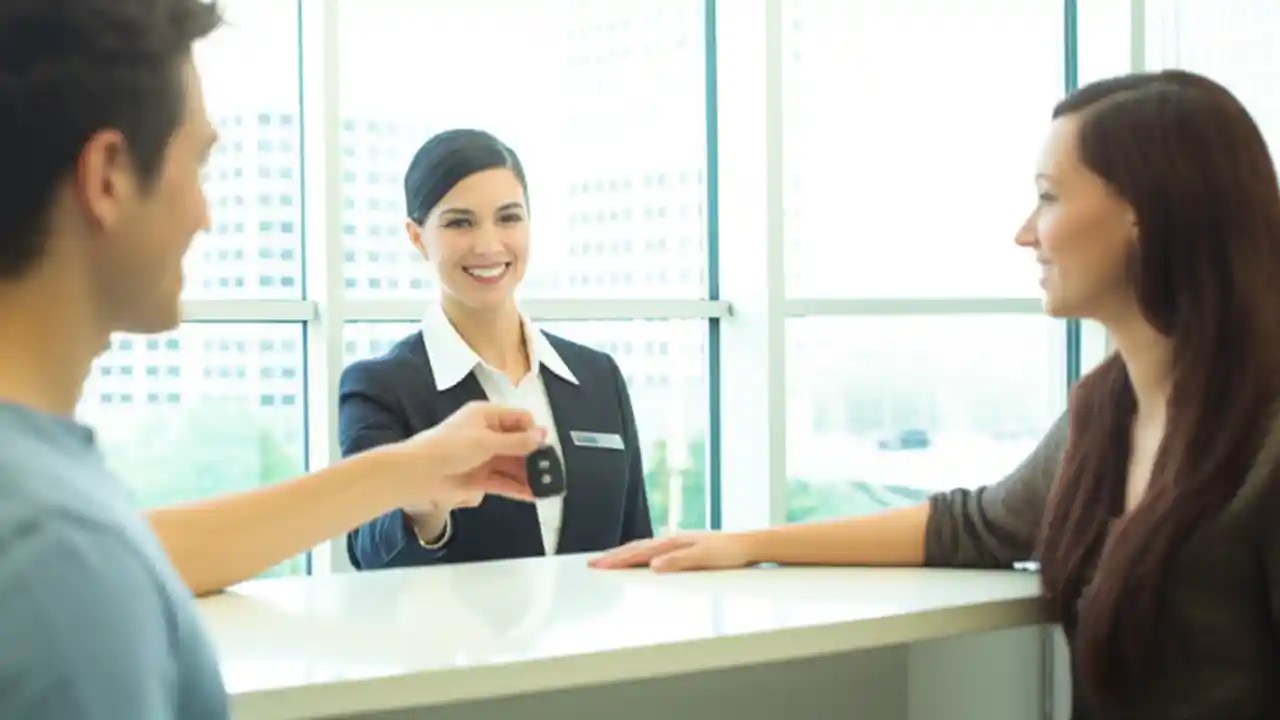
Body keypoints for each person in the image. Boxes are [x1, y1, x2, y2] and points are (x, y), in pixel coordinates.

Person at [592, 70, 1280, 719]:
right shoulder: (1104, 416)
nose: (1025, 232)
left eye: (1049, 195)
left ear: (1145, 214)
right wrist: (746, 543)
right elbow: (974, 526)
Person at [0, 2, 546, 718]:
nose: (206, 213)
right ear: (106, 176)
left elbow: (146, 547)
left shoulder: (51, 510)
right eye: (196, 163)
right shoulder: (52, 551)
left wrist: (413, 466)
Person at [339, 128, 654, 569]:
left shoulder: (598, 377)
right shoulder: (381, 388)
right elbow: (368, 550)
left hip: (597, 640)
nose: (488, 245)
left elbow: (636, 543)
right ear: (416, 237)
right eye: (460, 222)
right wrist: (426, 510)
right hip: (454, 640)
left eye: (508, 218)